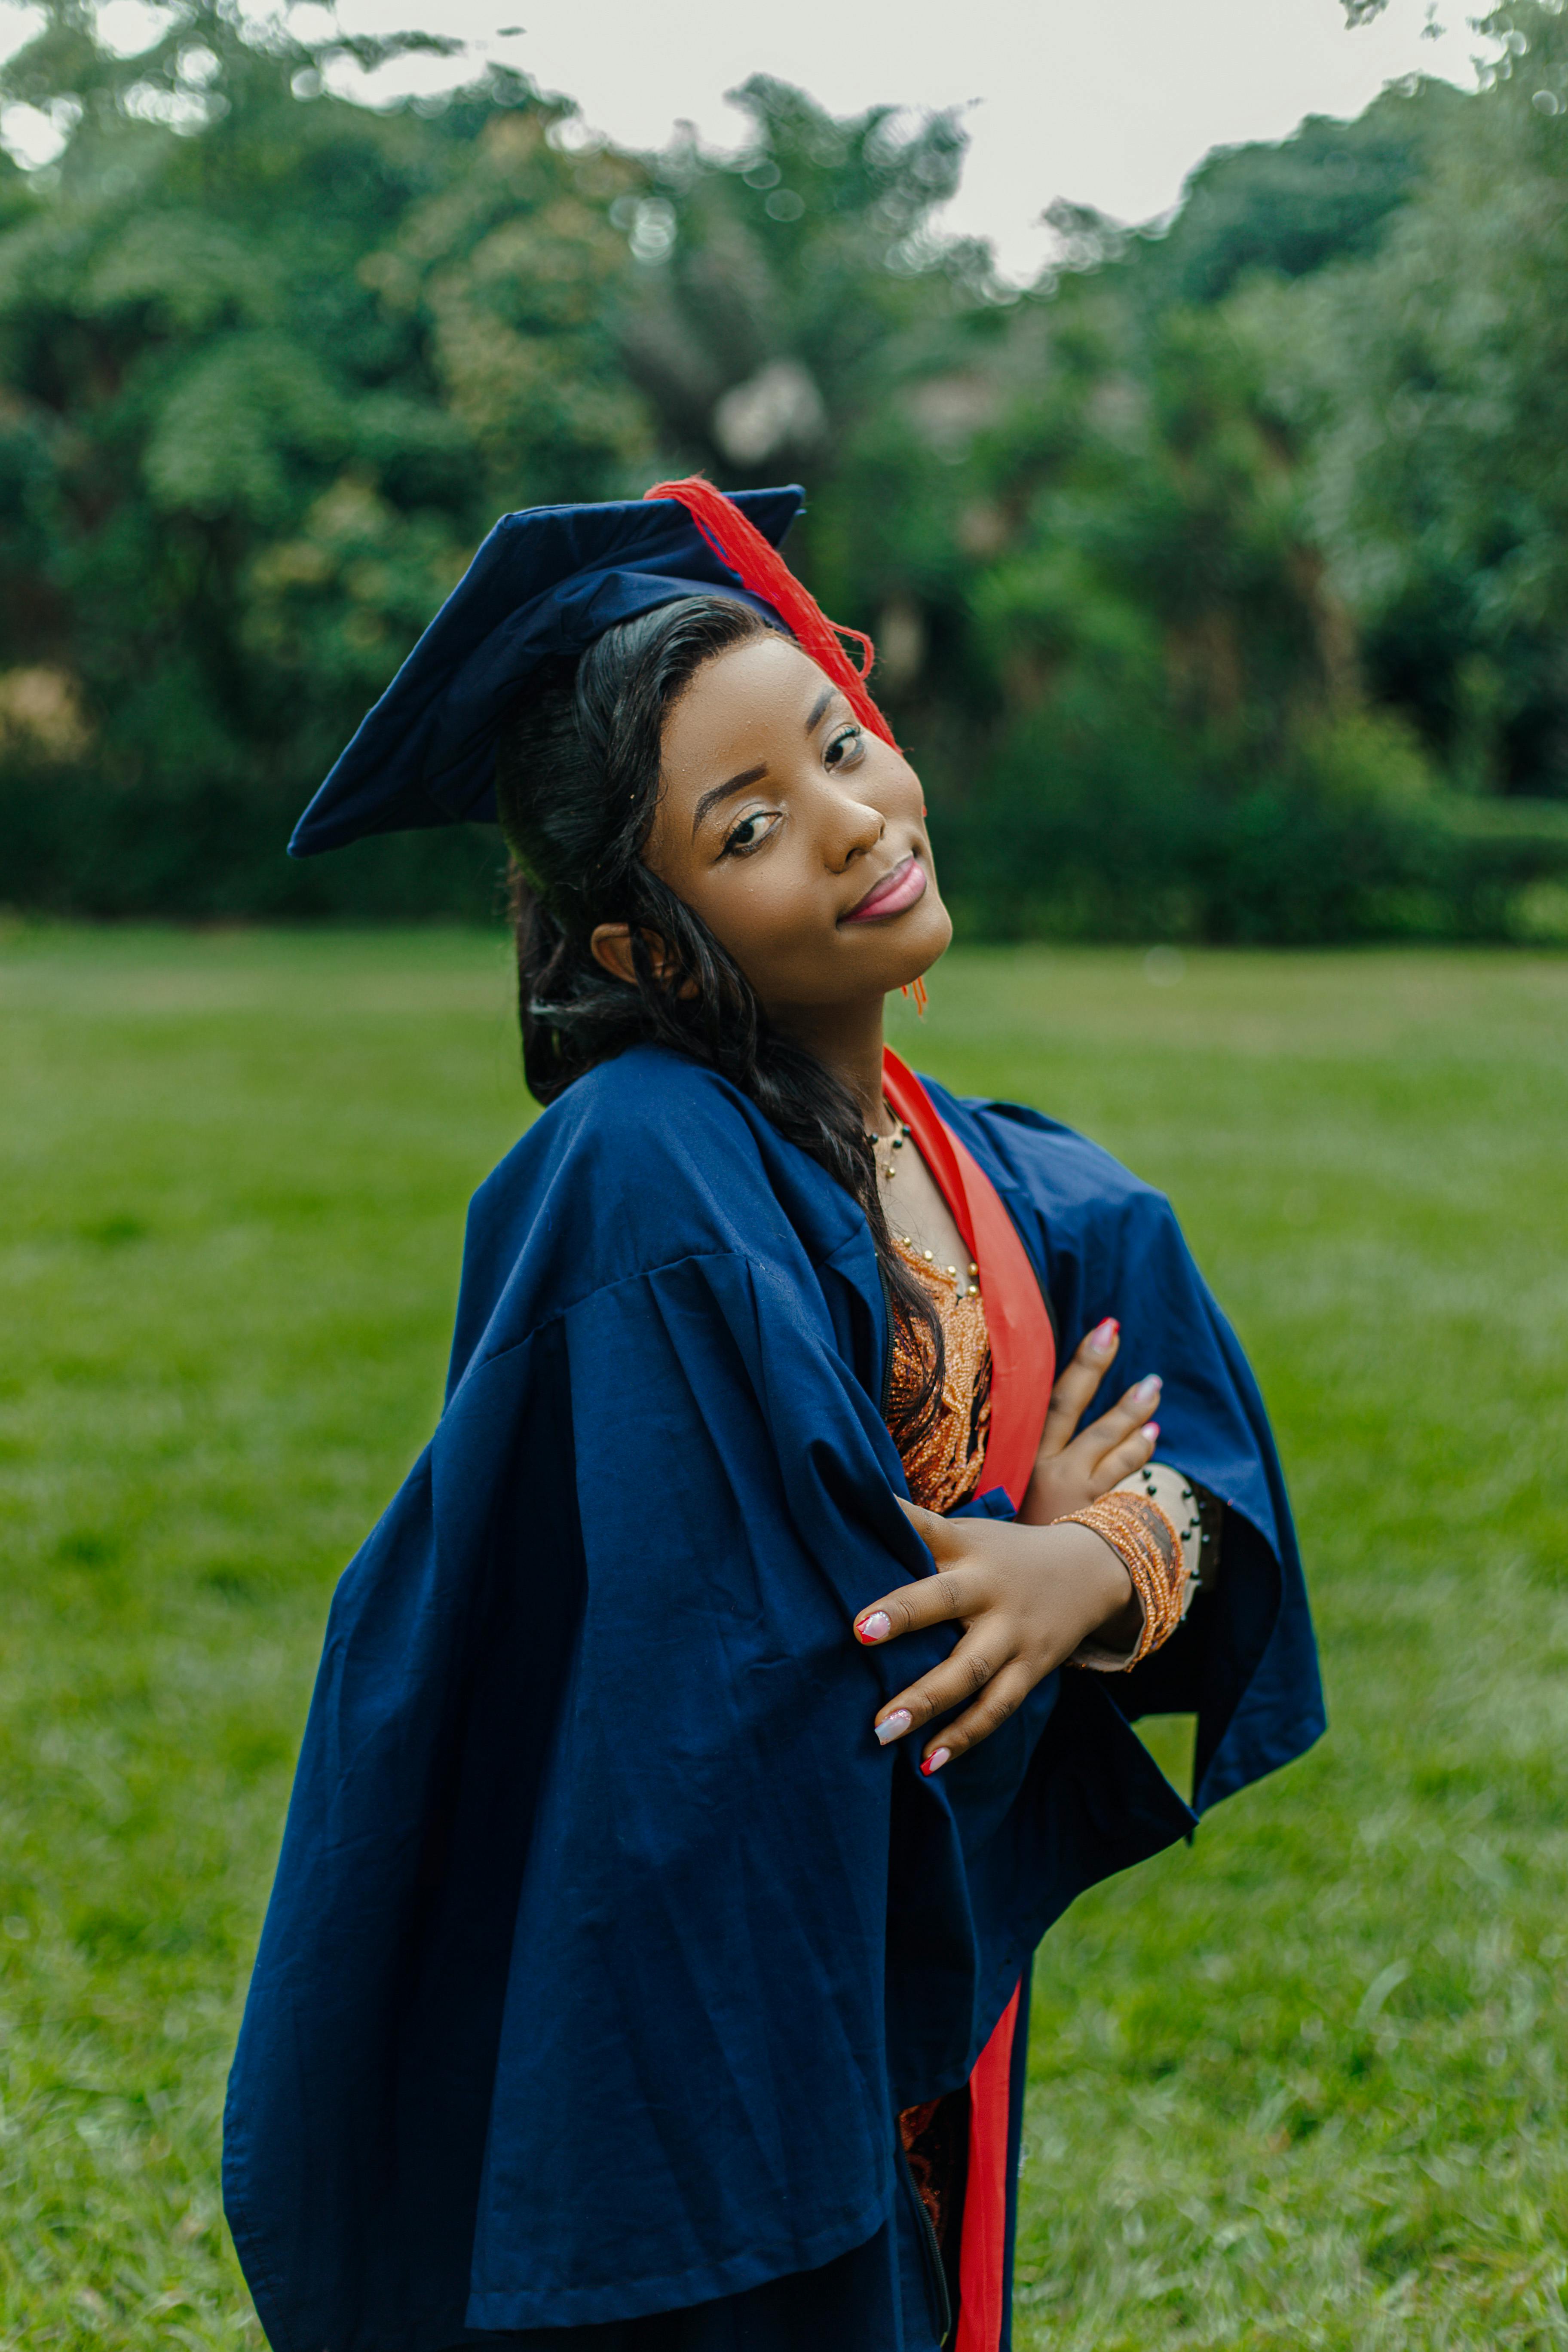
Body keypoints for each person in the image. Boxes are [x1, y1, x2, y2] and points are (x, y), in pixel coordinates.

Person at [224, 478, 1323, 2352]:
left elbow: (1210, 1498)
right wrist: (999, 1592)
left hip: (898, 1991)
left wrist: (1077, 1568)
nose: (850, 825)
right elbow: (793, 1659)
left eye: (839, 746)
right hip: (697, 1995)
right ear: (648, 952)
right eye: (749, 828)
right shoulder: (642, 1171)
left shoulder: (1044, 1194)